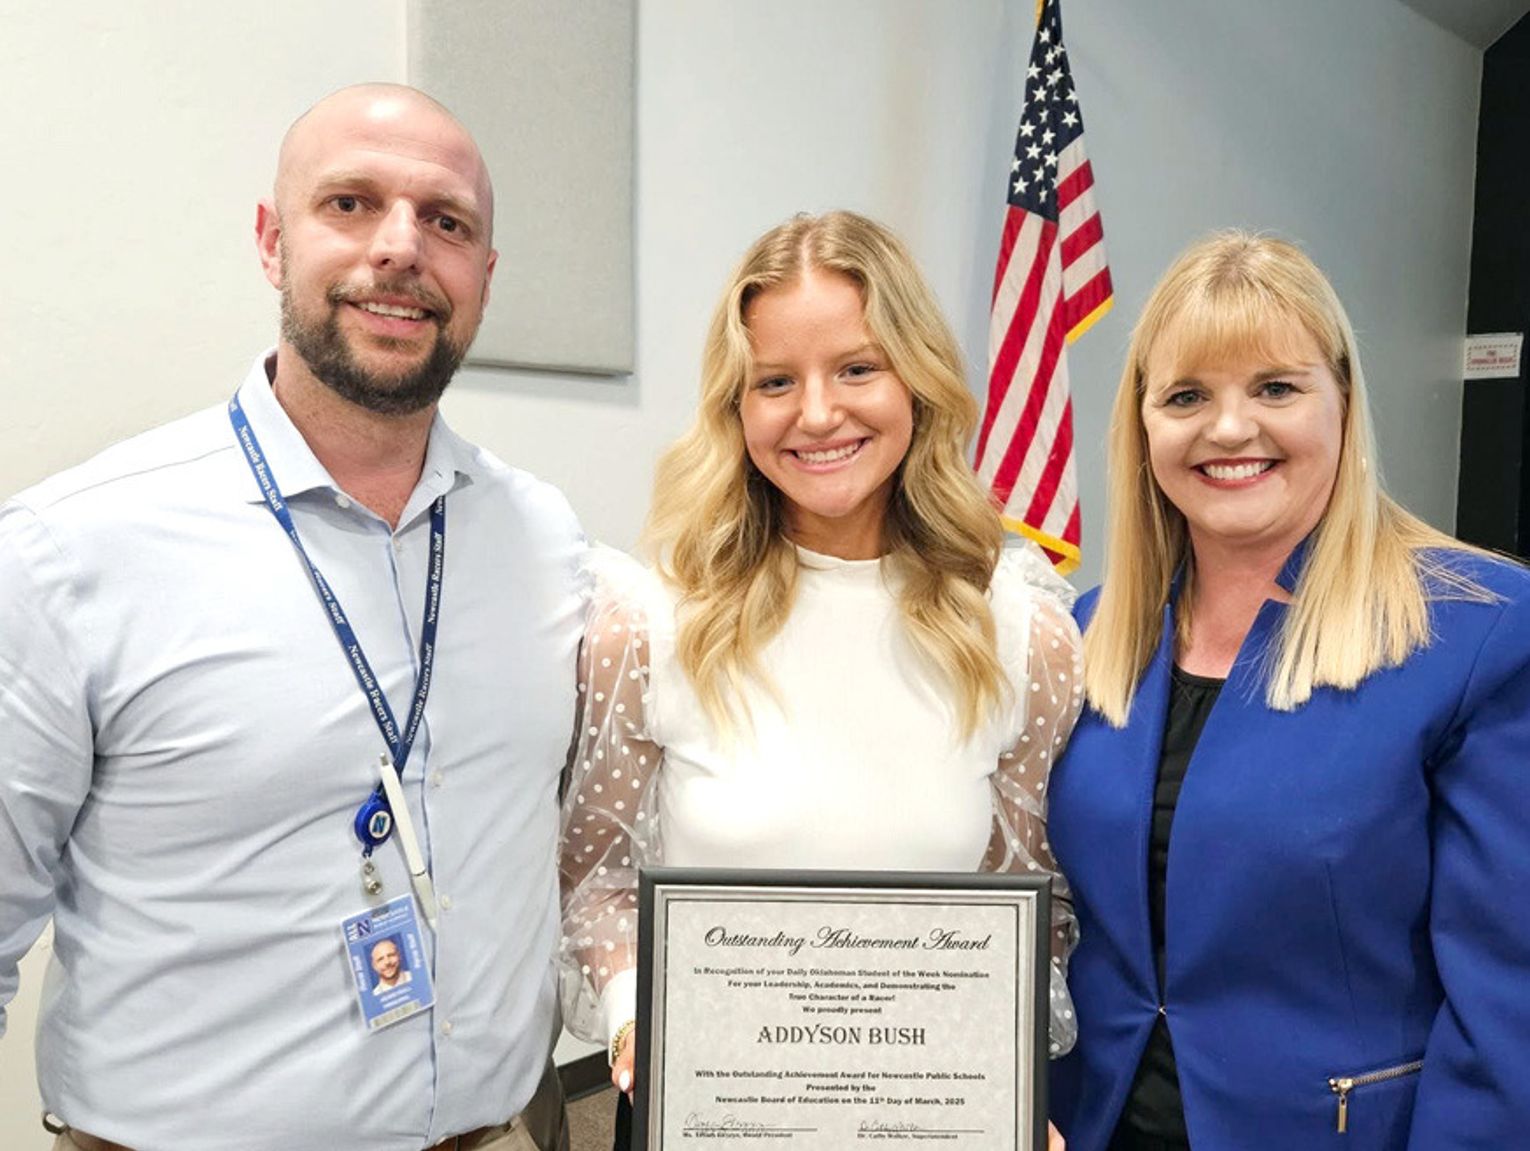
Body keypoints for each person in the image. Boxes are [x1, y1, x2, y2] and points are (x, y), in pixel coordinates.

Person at [0, 84, 584, 1151]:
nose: (401, 249)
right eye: (351, 204)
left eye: (445, 221)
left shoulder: (544, 544)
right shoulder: (71, 549)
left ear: (485, 278)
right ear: (273, 242)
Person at [558, 210, 1083, 1151]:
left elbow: (1029, 901)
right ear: (736, 406)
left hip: (924, 1127)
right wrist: (638, 1016)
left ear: (917, 379)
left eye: (856, 368)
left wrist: (1001, 1081)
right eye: (775, 380)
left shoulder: (1018, 631)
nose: (816, 412)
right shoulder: (652, 624)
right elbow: (597, 884)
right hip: (707, 1116)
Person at [1046, 232, 1530, 1150]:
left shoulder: (1482, 627)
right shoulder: (1089, 631)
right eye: (1187, 396)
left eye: (1276, 387)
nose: (1229, 429)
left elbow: (1511, 1006)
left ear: (1342, 400)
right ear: (1143, 424)